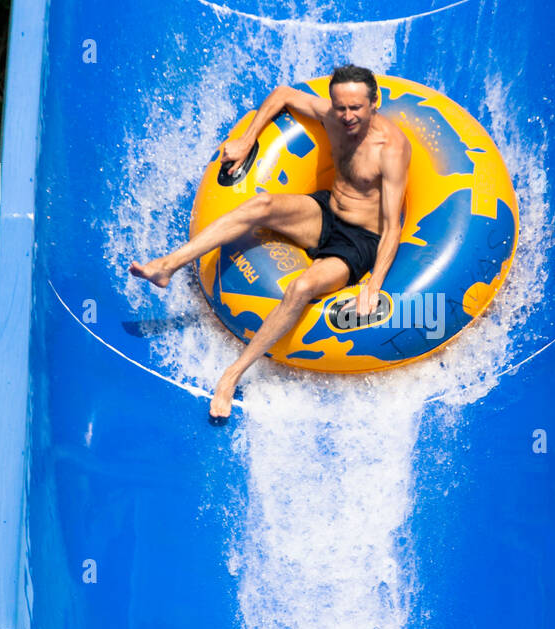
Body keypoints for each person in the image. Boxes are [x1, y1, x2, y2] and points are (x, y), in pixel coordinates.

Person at [129, 65, 411, 418]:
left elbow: (392, 225)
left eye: (356, 108)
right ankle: (166, 266)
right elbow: (282, 94)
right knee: (260, 204)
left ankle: (231, 376)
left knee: (300, 287)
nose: (347, 116)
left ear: (374, 102)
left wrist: (374, 284)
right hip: (325, 212)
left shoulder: (391, 148)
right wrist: (248, 140)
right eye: (341, 107)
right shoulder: (330, 115)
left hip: (359, 241)